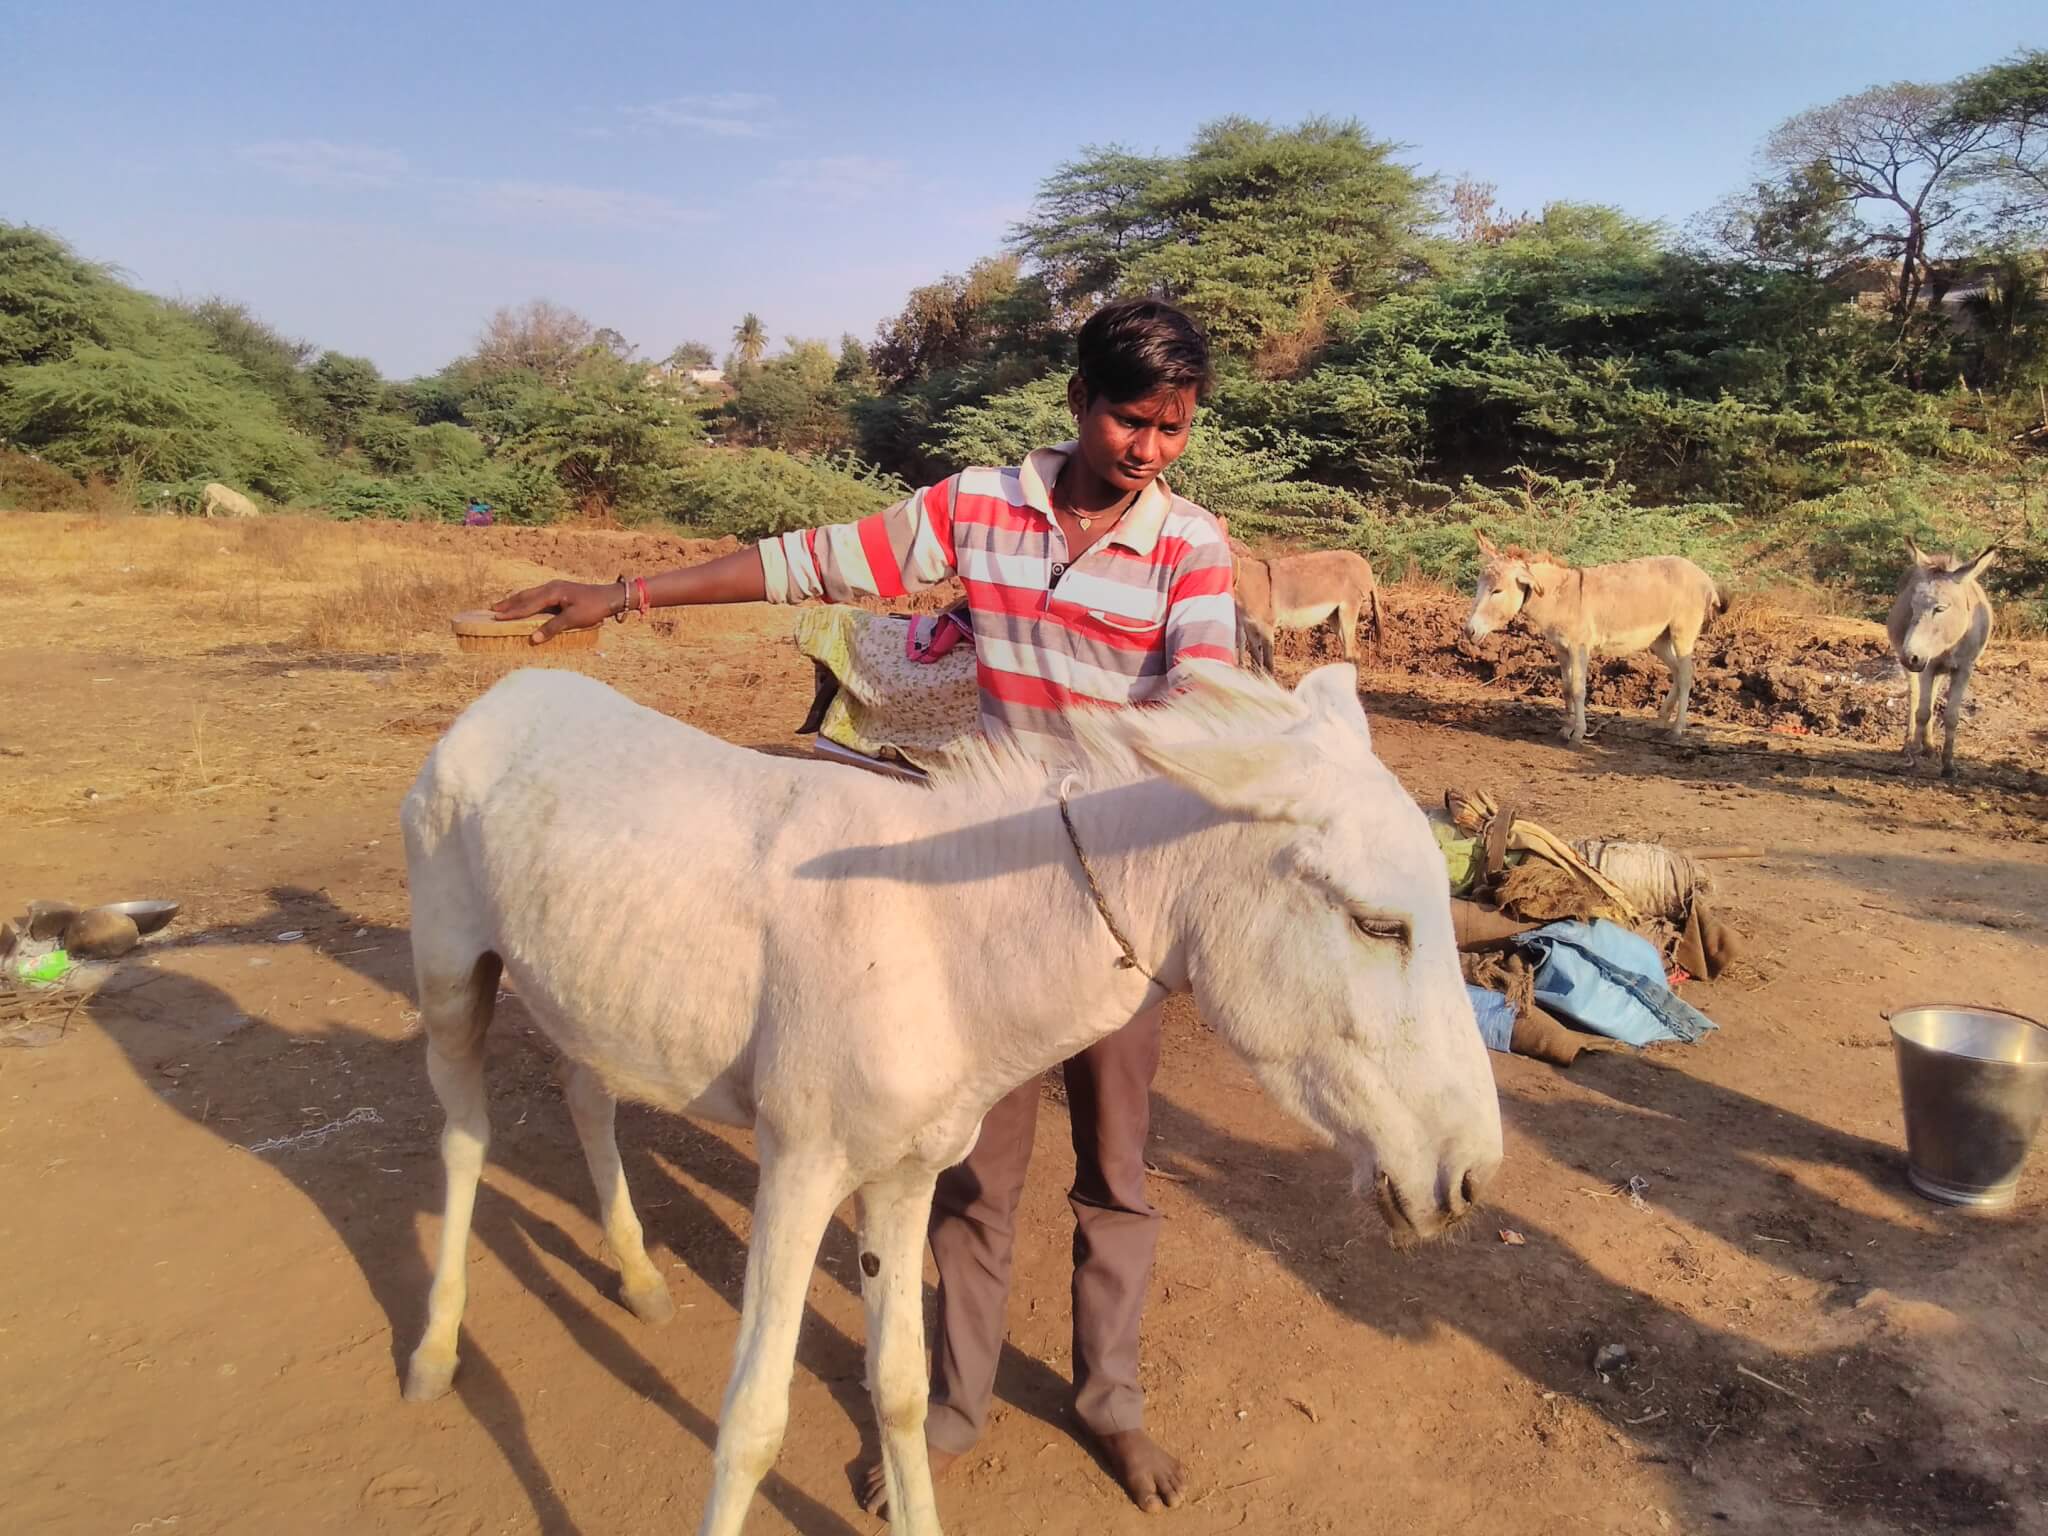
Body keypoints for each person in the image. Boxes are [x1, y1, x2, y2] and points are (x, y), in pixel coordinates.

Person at [492, 297, 1234, 1514]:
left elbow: (1200, 707)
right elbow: (813, 561)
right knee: (965, 1168)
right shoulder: (977, 505)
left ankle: (1110, 1404)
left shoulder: (1188, 548)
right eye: (1129, 420)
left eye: (1173, 428)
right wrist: (626, 594)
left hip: (1111, 917)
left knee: (1117, 1170)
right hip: (977, 907)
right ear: (1076, 403)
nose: (1150, 447)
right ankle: (946, 1405)